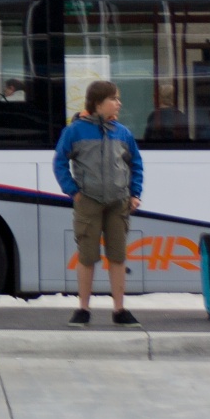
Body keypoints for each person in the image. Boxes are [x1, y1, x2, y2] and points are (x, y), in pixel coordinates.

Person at [54, 79, 143, 326]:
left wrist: (134, 193)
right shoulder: (75, 131)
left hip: (118, 201)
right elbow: (59, 161)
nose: (119, 103)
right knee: (87, 255)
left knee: (117, 255)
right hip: (88, 201)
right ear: (97, 103)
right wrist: (73, 191)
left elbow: (135, 163)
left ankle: (119, 309)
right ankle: (83, 308)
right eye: (114, 98)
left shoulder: (122, 132)